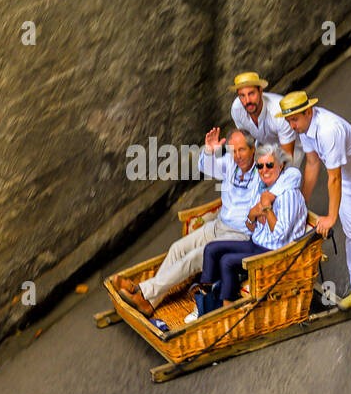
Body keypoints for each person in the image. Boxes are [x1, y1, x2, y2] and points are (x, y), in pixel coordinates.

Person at [276, 91, 351, 316]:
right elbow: (312, 164)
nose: (291, 125)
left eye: (294, 119)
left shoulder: (327, 130)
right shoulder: (304, 129)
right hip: (348, 179)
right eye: (288, 120)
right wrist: (300, 203)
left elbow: (334, 178)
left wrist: (331, 217)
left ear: (308, 111)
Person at [113, 128, 260, 316]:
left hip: (238, 236)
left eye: (242, 150)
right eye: (233, 151)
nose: (237, 156)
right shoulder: (231, 164)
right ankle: (149, 301)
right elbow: (206, 167)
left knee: (193, 258)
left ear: (253, 148)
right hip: (219, 226)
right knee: (177, 248)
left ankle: (142, 291)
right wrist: (208, 151)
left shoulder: (261, 174)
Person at [196, 144, 309, 306]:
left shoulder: (289, 195)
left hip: (276, 252)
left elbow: (280, 234)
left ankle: (226, 311)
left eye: (269, 165)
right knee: (211, 249)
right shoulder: (263, 188)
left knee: (227, 261)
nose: (264, 170)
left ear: (281, 165)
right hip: (257, 243)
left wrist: (267, 208)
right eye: (260, 166)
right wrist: (252, 214)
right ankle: (208, 297)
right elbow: (251, 227)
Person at [229, 71, 297, 160]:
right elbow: (246, 139)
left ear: (260, 91)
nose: (247, 101)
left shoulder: (279, 111)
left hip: (293, 144)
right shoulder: (236, 109)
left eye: (251, 93)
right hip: (264, 145)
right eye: (242, 95)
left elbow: (286, 156)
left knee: (290, 171)